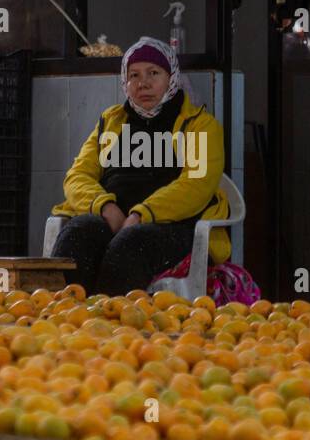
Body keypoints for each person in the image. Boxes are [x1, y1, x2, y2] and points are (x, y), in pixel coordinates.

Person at [50, 37, 231, 294]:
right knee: (77, 234)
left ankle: (116, 326)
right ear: (125, 82)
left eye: (153, 73)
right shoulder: (111, 121)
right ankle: (68, 323)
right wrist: (106, 208)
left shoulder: (199, 125)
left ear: (171, 78)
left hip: (173, 228)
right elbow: (77, 176)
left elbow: (197, 184)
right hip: (114, 220)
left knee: (130, 245)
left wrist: (141, 215)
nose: (143, 83)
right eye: (134, 75)